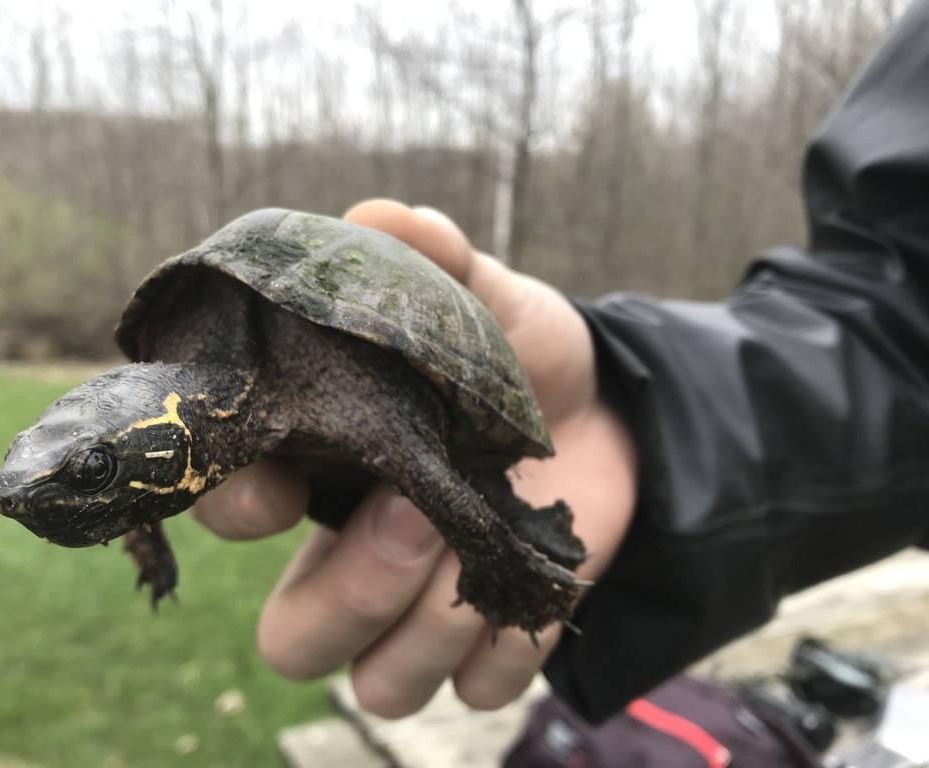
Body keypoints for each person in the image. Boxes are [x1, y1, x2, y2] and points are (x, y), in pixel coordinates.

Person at [192, 0, 929, 724]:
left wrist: (501, 550)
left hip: (400, 413)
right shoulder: (196, 349)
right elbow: (897, 314)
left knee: (423, 476)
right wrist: (638, 407)